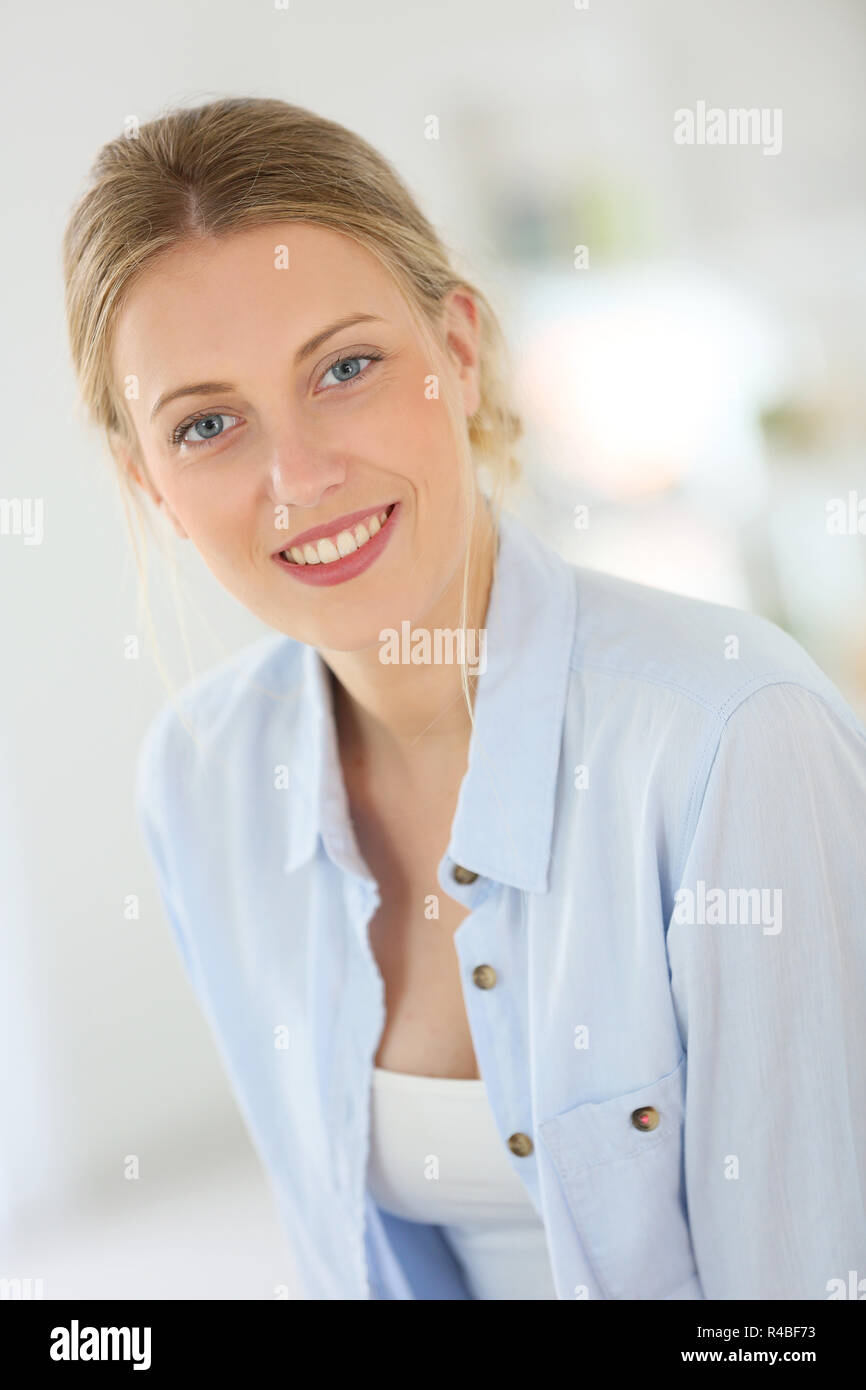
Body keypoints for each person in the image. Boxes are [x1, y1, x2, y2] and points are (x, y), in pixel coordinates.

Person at [62, 96, 866, 1300]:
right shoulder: (202, 777)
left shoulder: (731, 740)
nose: (298, 478)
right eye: (208, 423)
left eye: (343, 366)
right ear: (148, 480)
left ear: (457, 348)